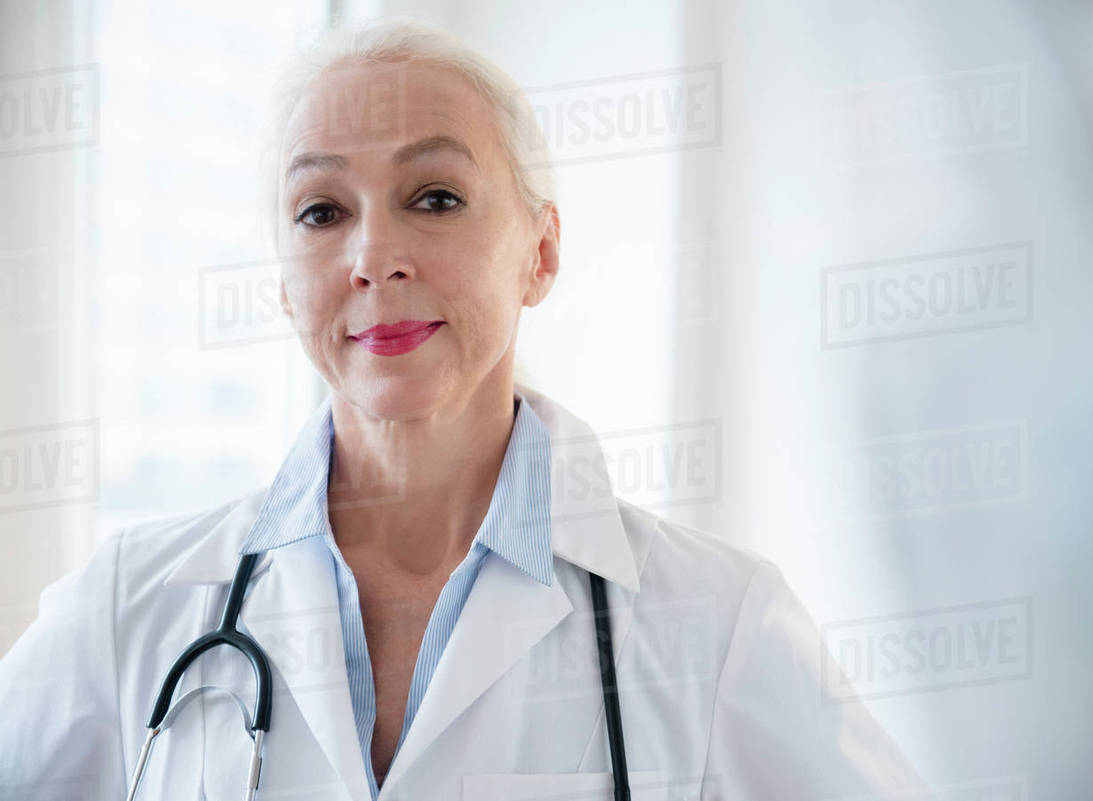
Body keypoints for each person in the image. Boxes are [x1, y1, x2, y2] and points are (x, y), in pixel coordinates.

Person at [0, 18, 931, 801]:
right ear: (284, 285)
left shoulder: (721, 625)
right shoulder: (131, 606)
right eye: (321, 211)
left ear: (542, 251)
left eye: (435, 197)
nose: (374, 254)